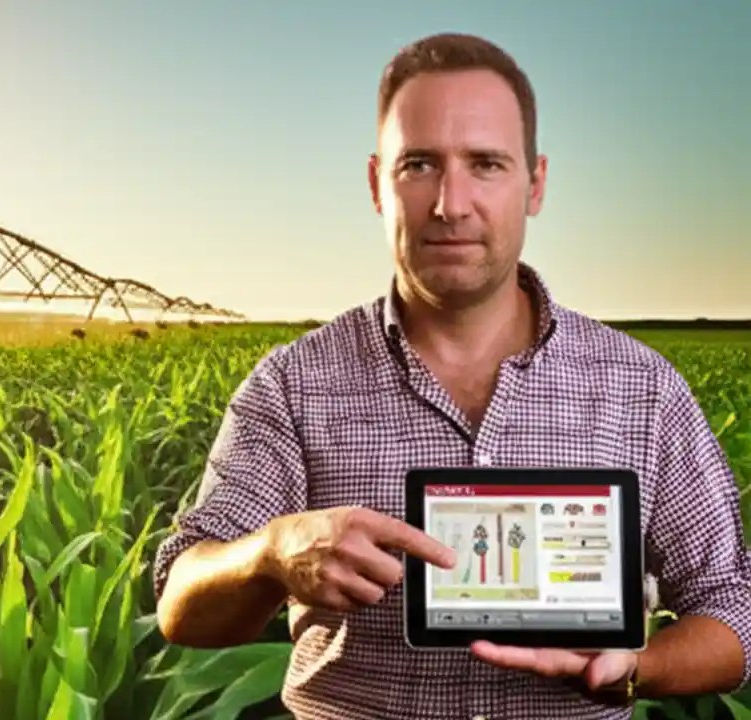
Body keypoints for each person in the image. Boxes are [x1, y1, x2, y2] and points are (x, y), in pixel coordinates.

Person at [152, 31, 751, 720]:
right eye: (419, 165)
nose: (451, 203)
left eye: (486, 164)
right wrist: (269, 554)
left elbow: (733, 608)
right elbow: (179, 601)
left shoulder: (642, 388)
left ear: (535, 184)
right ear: (377, 184)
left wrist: (634, 671)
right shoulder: (293, 382)